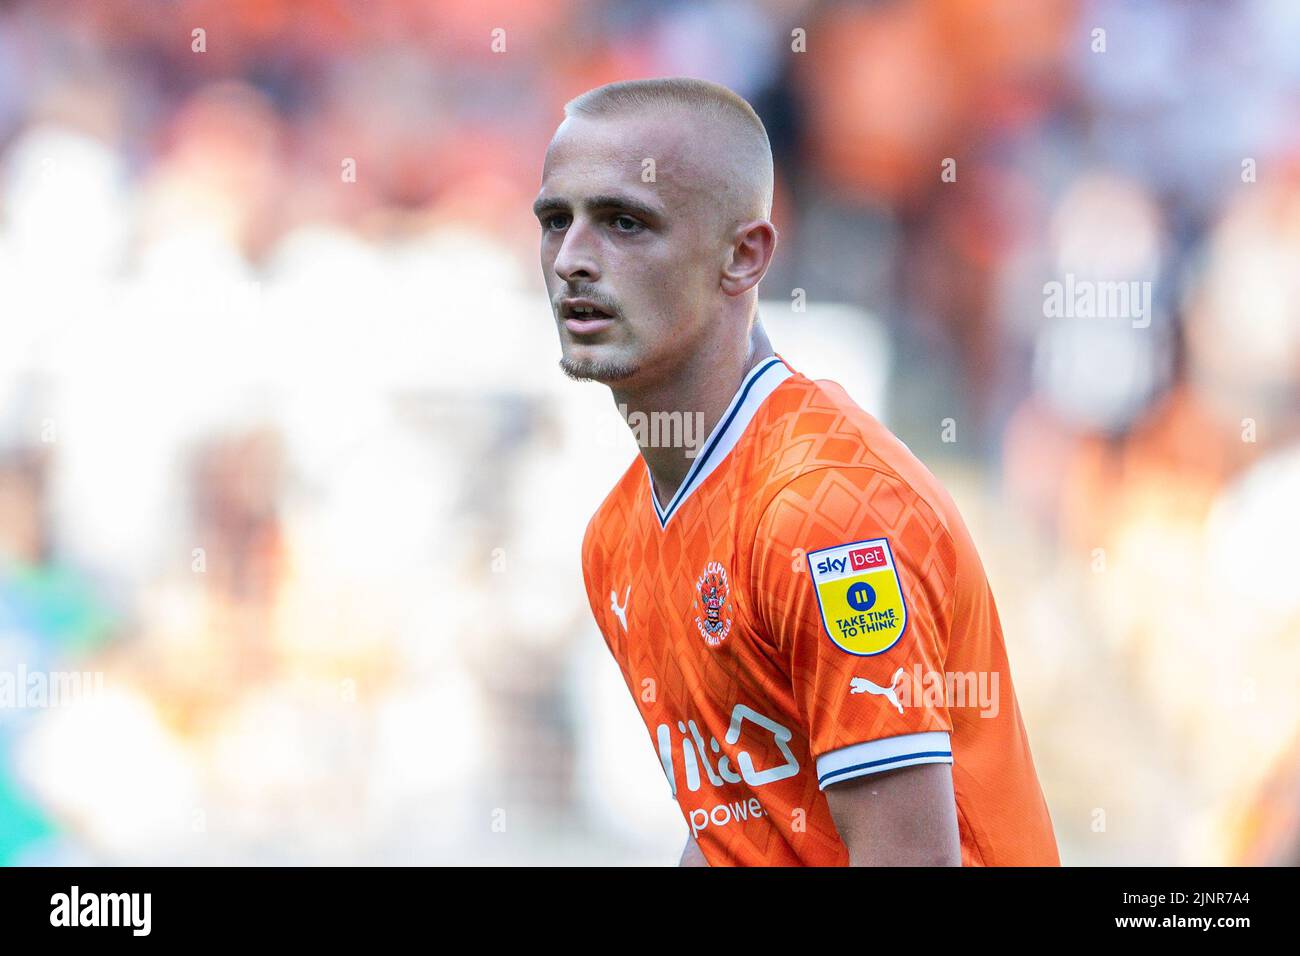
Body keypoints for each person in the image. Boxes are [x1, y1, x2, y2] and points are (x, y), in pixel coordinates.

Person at [535, 77, 1058, 866]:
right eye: (554, 221)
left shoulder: (828, 513)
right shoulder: (619, 537)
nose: (573, 258)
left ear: (743, 257)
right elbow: (740, 828)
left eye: (623, 222)